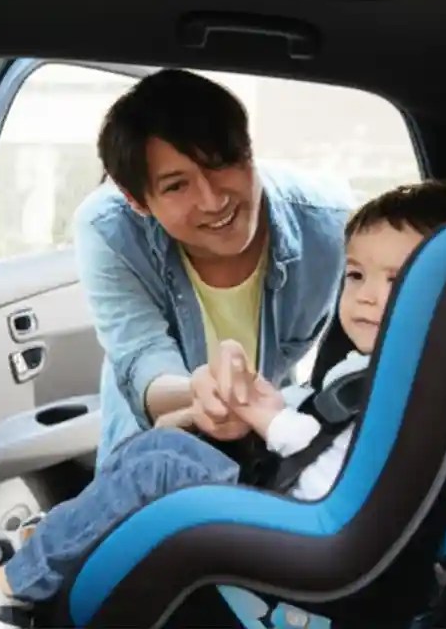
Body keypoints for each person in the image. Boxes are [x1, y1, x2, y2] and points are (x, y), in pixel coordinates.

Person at [0, 180, 446, 628]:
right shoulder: (375, 368)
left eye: (398, 282)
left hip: (314, 529)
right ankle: (38, 548)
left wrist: (273, 423)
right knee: (160, 445)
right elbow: (330, 433)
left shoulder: (419, 387)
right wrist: (269, 404)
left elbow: (340, 478)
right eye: (355, 276)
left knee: (161, 462)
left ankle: (2, 591)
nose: (369, 298)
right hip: (297, 509)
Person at [73, 69, 352, 462]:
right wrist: (200, 394)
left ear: (250, 152)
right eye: (176, 185)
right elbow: (140, 356)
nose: (211, 200)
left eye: (221, 164)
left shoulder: (329, 227)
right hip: (154, 442)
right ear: (136, 199)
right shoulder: (109, 230)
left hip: (267, 435)